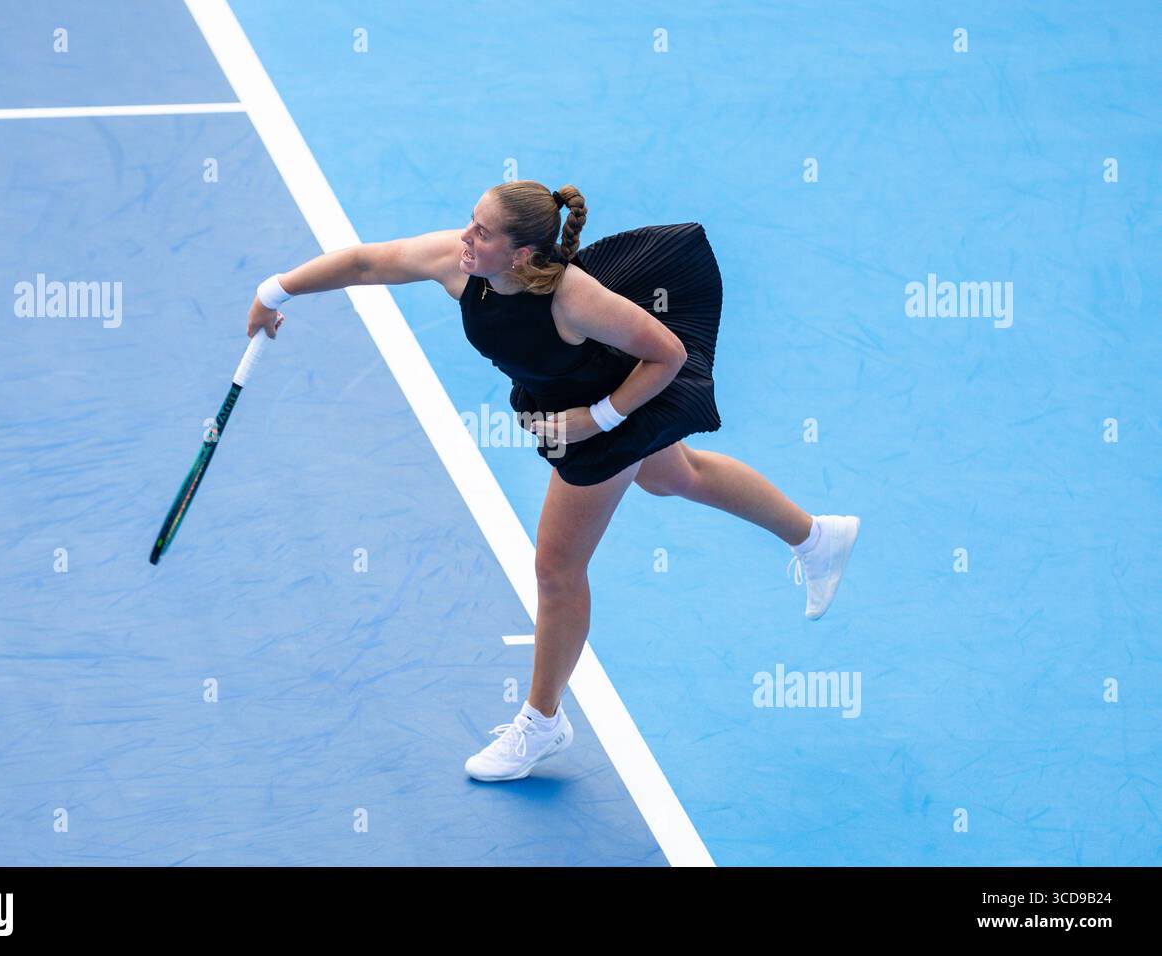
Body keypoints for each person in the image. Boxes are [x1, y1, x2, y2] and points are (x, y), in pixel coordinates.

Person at [246, 180, 860, 782]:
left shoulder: (572, 298)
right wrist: (274, 291)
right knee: (675, 474)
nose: (466, 236)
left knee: (557, 571)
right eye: (471, 221)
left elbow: (669, 355)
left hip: (611, 412)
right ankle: (815, 536)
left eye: (482, 232)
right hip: (575, 403)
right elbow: (364, 262)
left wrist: (598, 419)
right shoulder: (458, 263)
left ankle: (542, 723)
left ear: (521, 254)